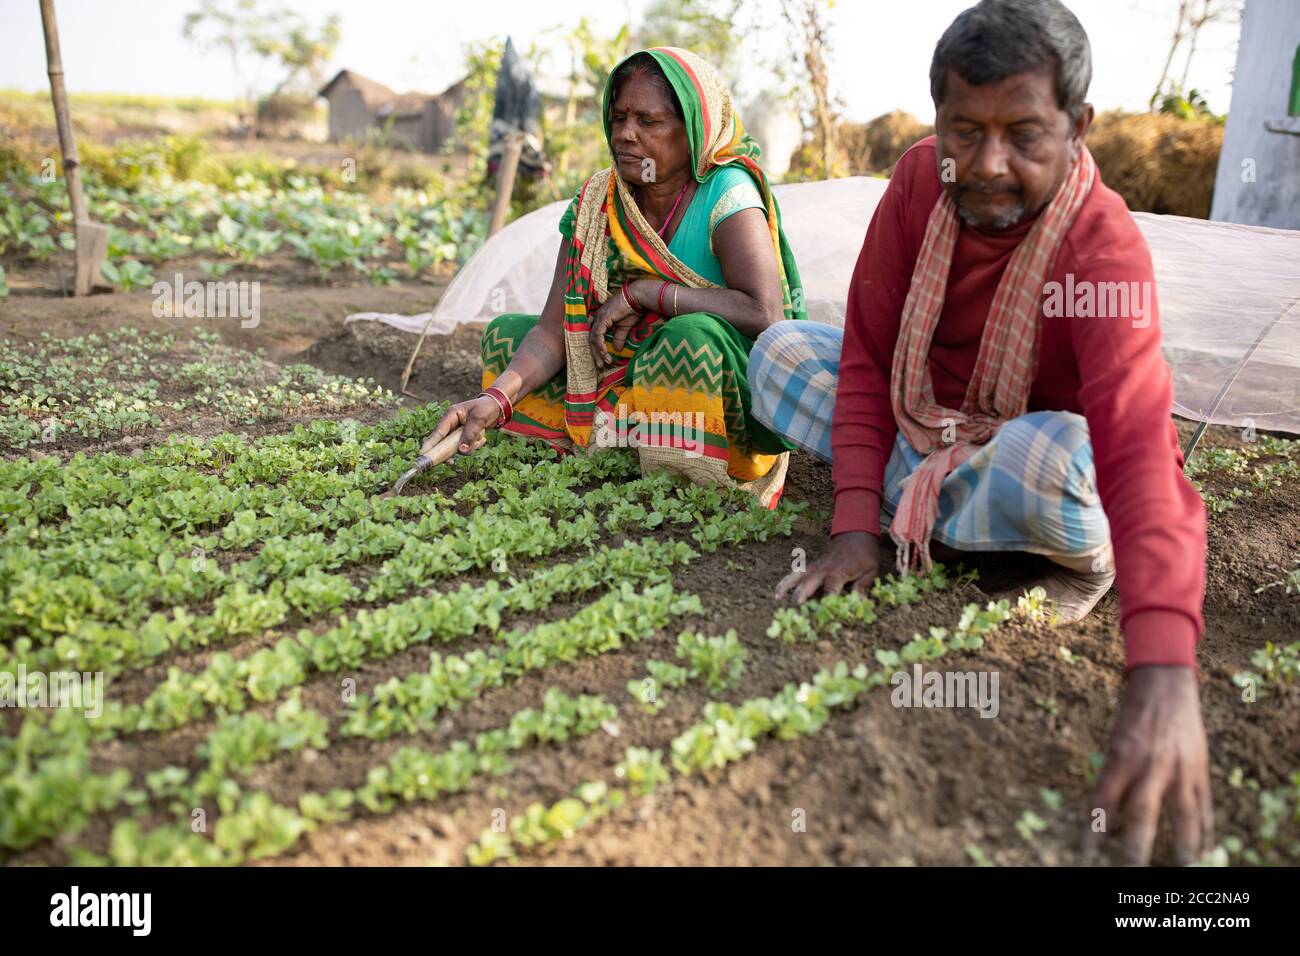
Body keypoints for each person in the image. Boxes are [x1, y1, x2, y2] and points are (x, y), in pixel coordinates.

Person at [747, 0, 1211, 865]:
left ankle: (1058, 553)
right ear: (938, 123)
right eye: (966, 131)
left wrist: (1161, 670)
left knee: (1065, 466)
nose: (988, 165)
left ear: (1080, 127)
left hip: (1018, 448)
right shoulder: (920, 183)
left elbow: (1139, 451)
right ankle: (934, 521)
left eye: (1025, 135)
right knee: (778, 354)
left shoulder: (1100, 248)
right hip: (920, 422)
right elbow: (866, 359)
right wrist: (852, 532)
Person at [427, 47, 806, 507]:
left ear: (693, 129)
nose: (626, 134)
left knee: (686, 339)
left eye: (648, 121)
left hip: (712, 389)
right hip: (621, 376)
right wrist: (495, 399)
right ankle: (624, 443)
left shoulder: (727, 194)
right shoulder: (598, 202)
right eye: (619, 117)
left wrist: (646, 294)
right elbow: (552, 331)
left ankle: (690, 467)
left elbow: (763, 312)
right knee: (506, 336)